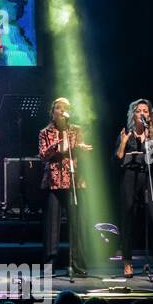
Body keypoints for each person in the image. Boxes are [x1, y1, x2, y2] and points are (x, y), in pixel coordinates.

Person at [39, 97, 93, 277]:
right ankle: (50, 263)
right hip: (54, 182)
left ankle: (77, 262)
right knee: (52, 225)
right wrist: (57, 146)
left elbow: (80, 150)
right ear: (52, 112)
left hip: (73, 181)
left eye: (65, 108)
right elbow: (43, 155)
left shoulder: (76, 130)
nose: (61, 111)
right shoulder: (45, 132)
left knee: (76, 223)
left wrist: (81, 148)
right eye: (58, 108)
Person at [116, 98, 153, 277]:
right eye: (139, 110)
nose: (143, 113)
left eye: (146, 111)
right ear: (134, 114)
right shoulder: (127, 134)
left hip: (148, 176)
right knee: (128, 219)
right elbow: (118, 158)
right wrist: (123, 143)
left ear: (149, 115)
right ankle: (128, 262)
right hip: (130, 177)